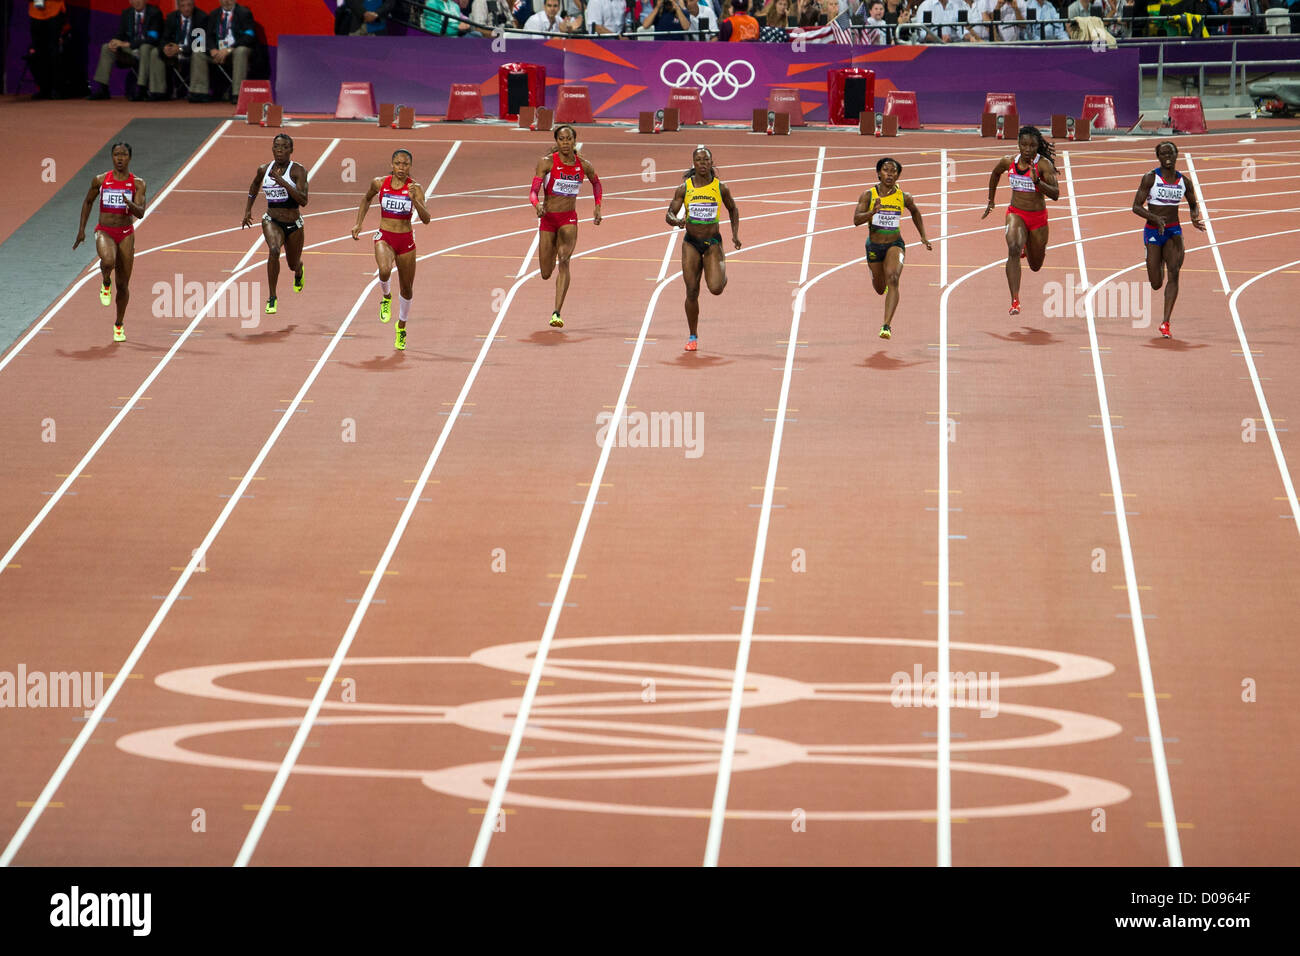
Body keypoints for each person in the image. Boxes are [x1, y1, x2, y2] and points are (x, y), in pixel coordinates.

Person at [350, 150, 433, 352]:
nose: (401, 168)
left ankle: (401, 327)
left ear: (410, 167)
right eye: (398, 164)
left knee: (406, 289)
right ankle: (386, 297)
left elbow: (426, 219)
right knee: (385, 270)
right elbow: (365, 199)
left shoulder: (416, 188)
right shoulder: (380, 183)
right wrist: (358, 223)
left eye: (405, 164)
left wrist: (415, 201)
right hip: (385, 237)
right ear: (392, 164)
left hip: (405, 241)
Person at [665, 147, 741, 352]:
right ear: (693, 163)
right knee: (691, 290)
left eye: (705, 160)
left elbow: (733, 208)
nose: (702, 163)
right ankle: (693, 336)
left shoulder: (720, 187)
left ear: (711, 162)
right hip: (691, 243)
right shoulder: (684, 188)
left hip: (712, 243)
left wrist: (735, 234)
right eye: (698, 160)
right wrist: (676, 220)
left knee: (715, 288)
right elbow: (669, 213)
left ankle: (721, 275)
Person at [981, 125, 1060, 316]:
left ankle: (1028, 246)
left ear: (1037, 146)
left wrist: (1038, 183)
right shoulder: (1008, 161)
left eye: (1032, 146)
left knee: (1035, 266)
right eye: (1024, 145)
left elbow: (1056, 194)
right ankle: (1015, 300)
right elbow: (995, 174)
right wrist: (991, 200)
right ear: (1018, 144)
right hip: (1016, 213)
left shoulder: (1044, 166)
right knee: (1013, 248)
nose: (1027, 149)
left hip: (1037, 218)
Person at [1130, 141, 1205, 339]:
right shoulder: (1150, 178)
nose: (1168, 157)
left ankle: (1165, 322)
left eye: (1171, 153)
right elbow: (1136, 206)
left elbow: (1193, 203)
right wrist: (1155, 218)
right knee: (1156, 283)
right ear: (1158, 157)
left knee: (1175, 273)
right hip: (1154, 231)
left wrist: (1194, 216)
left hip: (1173, 232)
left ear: (1177, 154)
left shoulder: (1184, 182)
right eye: (1163, 154)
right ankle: (1156, 257)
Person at [530, 125, 603, 329]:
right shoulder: (546, 163)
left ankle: (556, 312)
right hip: (548, 219)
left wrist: (597, 206)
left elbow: (597, 184)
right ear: (556, 142)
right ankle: (552, 249)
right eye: (561, 139)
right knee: (545, 272)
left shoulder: (584, 165)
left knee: (564, 260)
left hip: (568, 219)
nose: (565, 142)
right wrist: (537, 205)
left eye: (568, 139)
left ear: (574, 141)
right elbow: (533, 192)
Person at [853, 157, 932, 340]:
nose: (890, 174)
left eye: (894, 171)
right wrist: (872, 212)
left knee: (894, 278)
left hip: (895, 244)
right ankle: (878, 278)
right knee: (880, 289)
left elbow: (915, 212)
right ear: (878, 173)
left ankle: (886, 325)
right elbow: (856, 220)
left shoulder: (904, 197)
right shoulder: (868, 195)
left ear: (898, 175)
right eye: (886, 170)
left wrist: (923, 235)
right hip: (874, 246)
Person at [74, 143, 146, 342]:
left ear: (130, 158)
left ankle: (119, 325)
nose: (120, 158)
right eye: (116, 154)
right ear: (112, 157)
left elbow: (141, 212)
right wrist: (81, 230)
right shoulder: (100, 180)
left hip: (125, 233)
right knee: (107, 261)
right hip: (104, 231)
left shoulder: (138, 183)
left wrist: (129, 203)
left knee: (123, 285)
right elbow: (88, 201)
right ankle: (106, 282)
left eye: (123, 155)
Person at [241, 133, 309, 317]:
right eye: (276, 147)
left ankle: (299, 269)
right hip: (272, 220)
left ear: (291, 150)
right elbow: (254, 186)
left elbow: (303, 201)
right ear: (272, 149)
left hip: (294, 223)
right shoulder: (264, 169)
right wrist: (248, 209)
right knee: (273, 250)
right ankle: (272, 297)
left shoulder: (298, 171)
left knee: (292, 264)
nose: (279, 150)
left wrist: (282, 182)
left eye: (284, 147)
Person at [89, 0, 164, 100]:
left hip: (148, 48)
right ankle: (103, 88)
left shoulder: (155, 13)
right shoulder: (127, 13)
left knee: (144, 47)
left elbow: (153, 37)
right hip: (129, 49)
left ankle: (141, 89)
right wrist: (115, 41)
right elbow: (121, 33)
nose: (136, 2)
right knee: (107, 48)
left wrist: (129, 44)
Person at [203, 0, 256, 103]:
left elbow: (249, 35)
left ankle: (237, 94)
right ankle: (199, 92)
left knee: (241, 51)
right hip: (218, 51)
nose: (226, 1)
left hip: (235, 49)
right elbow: (208, 36)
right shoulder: (214, 14)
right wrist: (212, 49)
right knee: (198, 54)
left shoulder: (244, 13)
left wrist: (229, 49)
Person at [162, 0, 209, 102]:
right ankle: (158, 92)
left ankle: (198, 93)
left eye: (189, 5)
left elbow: (199, 44)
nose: (186, 9)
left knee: (198, 53)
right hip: (173, 51)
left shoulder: (201, 17)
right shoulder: (171, 17)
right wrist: (166, 47)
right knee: (155, 53)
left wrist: (179, 49)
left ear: (194, 5)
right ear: (178, 7)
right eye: (183, 6)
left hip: (190, 51)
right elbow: (164, 38)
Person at [27, 0, 67, 100]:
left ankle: (58, 89)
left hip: (54, 11)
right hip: (35, 12)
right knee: (38, 51)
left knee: (54, 51)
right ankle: (44, 89)